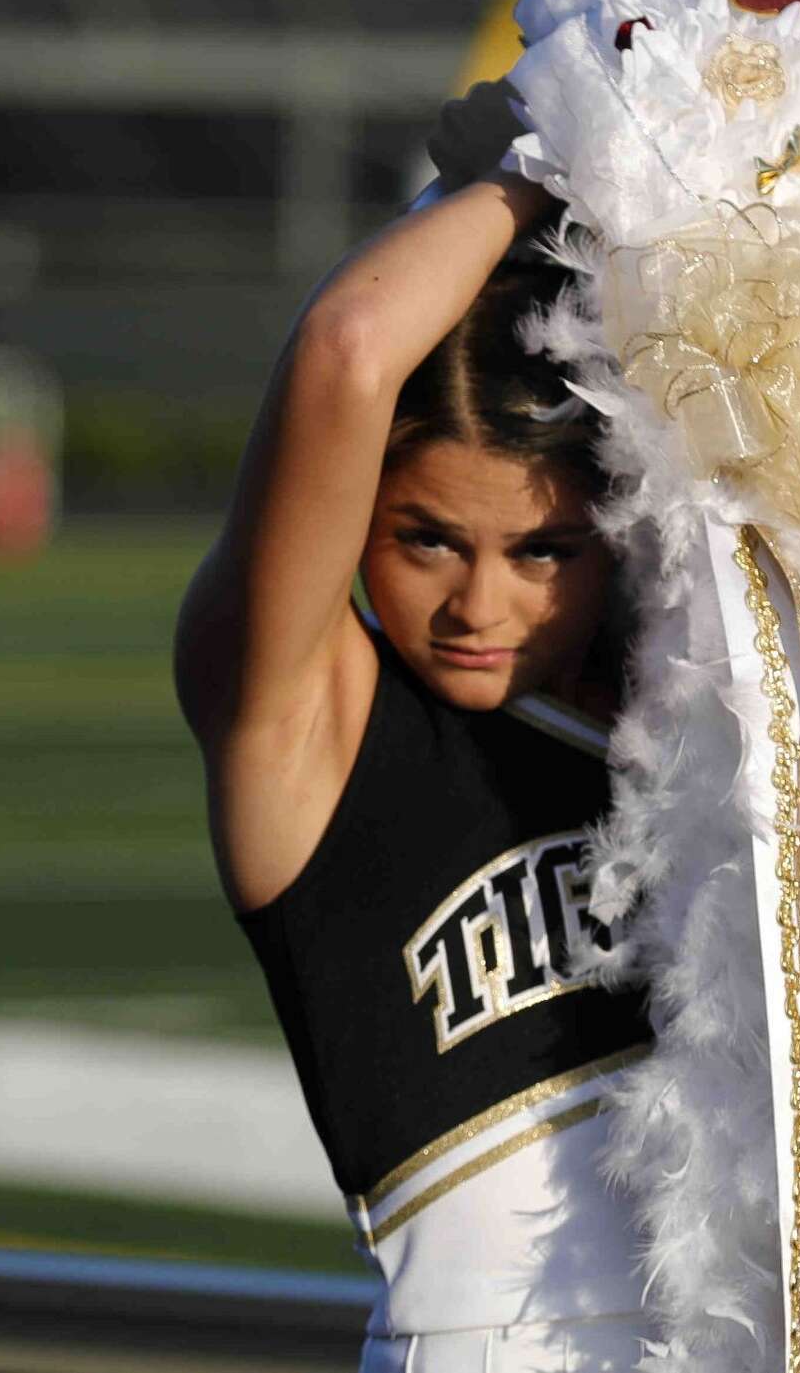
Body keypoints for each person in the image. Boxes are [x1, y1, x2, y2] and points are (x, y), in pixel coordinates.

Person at [173, 95, 654, 1367]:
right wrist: (554, 154)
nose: (480, 606)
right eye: (426, 539)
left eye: (543, 552)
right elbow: (347, 351)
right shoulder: (302, 720)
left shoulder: (690, 722)